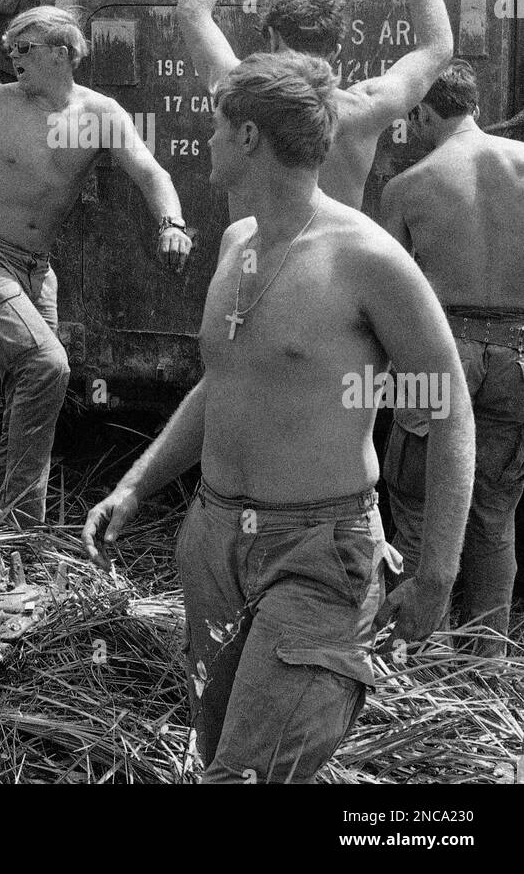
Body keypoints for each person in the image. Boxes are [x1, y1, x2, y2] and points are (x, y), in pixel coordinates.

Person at [82, 51, 474, 784]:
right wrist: (135, 487)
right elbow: (223, 382)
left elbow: (446, 413)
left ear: (250, 138)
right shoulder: (239, 243)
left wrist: (435, 574)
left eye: (215, 126)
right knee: (223, 755)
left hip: (318, 552)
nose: (206, 142)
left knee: (242, 775)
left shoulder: (364, 259)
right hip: (213, 544)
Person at [0, 5, 192, 525]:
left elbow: (150, 171)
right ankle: (25, 530)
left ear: (62, 52)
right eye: (10, 50)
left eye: (24, 49)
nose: (13, 58)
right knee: (47, 365)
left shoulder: (101, 114)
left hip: (37, 270)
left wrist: (170, 223)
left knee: (30, 400)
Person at [176, 0, 453, 210]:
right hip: (331, 259)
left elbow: (192, 11)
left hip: (256, 257)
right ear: (336, 51)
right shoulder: (362, 110)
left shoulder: (242, 92)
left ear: (274, 39)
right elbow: (437, 46)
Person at [380, 61, 524, 655]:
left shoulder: (409, 186)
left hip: (441, 357)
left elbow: (385, 291)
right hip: (518, 355)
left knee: (418, 509)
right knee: (494, 516)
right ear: (476, 104)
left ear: (425, 112)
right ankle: (485, 670)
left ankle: (412, 663)